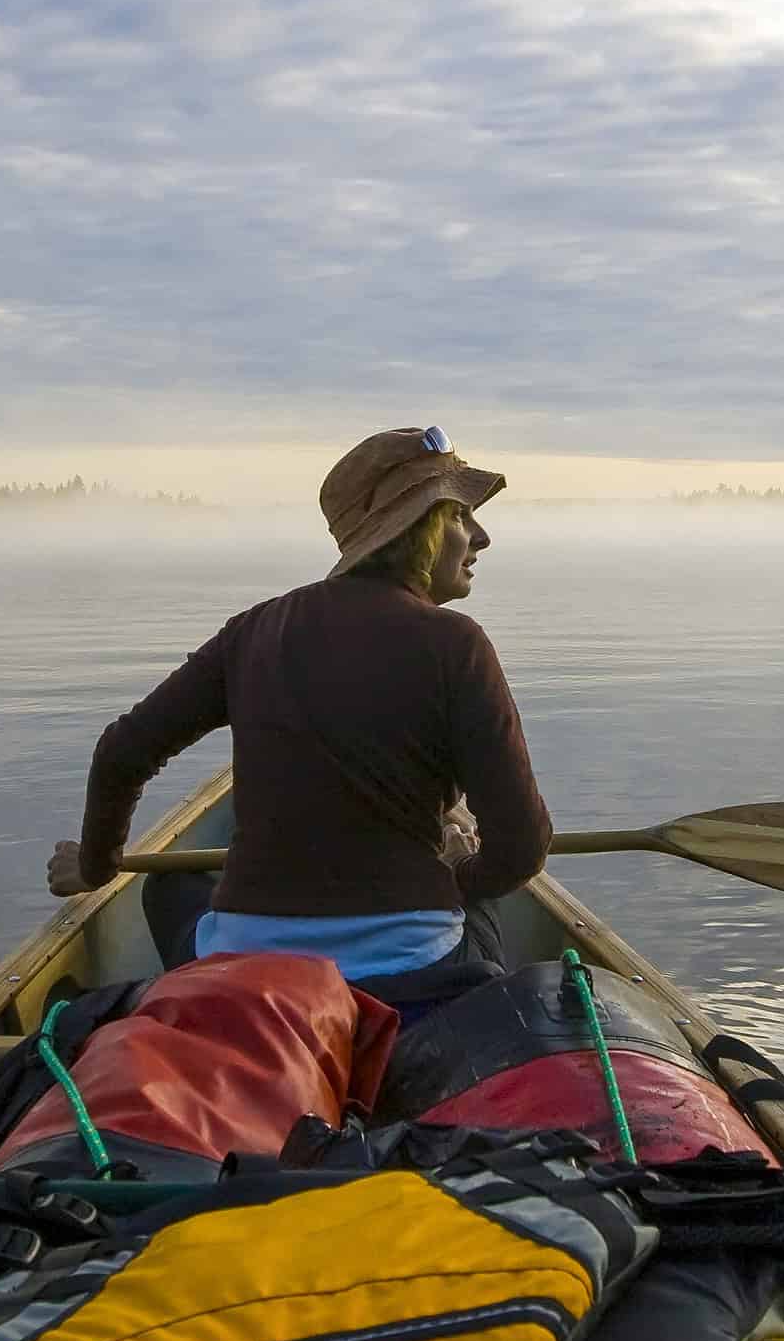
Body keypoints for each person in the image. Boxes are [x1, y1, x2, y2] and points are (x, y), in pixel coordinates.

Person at [46, 426, 552, 1006]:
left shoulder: (253, 631)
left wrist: (95, 868)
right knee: (488, 891)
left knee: (166, 884)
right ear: (423, 528)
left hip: (247, 977)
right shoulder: (456, 643)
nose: (481, 536)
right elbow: (521, 850)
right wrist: (461, 872)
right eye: (462, 516)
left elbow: (121, 752)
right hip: (412, 977)